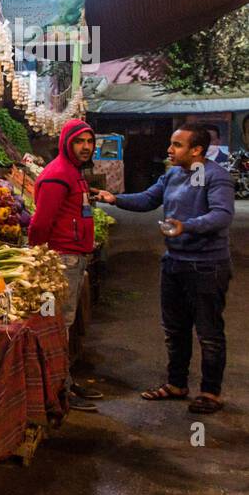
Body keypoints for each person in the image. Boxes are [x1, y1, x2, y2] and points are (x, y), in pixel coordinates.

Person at [95, 124, 235, 413]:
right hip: (174, 262)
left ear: (196, 150)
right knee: (175, 329)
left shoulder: (215, 176)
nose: (169, 150)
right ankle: (176, 384)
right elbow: (148, 199)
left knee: (208, 332)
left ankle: (211, 393)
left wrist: (187, 226)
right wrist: (115, 199)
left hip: (207, 266)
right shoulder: (172, 174)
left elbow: (221, 215)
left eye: (177, 145)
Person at [27, 118, 101, 411]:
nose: (85, 147)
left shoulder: (74, 172)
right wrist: (36, 255)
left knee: (64, 324)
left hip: (73, 257)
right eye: (79, 141)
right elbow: (41, 222)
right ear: (66, 143)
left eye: (89, 141)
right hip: (61, 260)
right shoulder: (58, 175)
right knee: (58, 325)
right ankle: (59, 389)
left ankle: (65, 382)